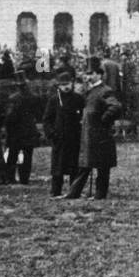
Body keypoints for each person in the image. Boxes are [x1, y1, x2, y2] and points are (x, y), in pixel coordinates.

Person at [66, 68, 123, 202]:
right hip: (89, 135)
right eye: (87, 73)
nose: (88, 76)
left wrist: (103, 120)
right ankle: (74, 192)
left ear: (99, 75)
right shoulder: (90, 91)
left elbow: (115, 107)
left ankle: (99, 194)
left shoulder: (105, 90)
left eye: (91, 73)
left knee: (102, 166)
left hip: (101, 135)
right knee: (85, 165)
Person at [43, 70, 85, 198]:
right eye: (62, 84)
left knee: (74, 165)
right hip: (59, 138)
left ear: (72, 83)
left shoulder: (78, 99)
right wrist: (52, 134)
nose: (65, 87)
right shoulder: (54, 100)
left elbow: (84, 117)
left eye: (67, 84)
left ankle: (74, 191)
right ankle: (56, 190)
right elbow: (47, 119)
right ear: (58, 86)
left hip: (74, 137)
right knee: (58, 167)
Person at [3, 76, 40, 185]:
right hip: (29, 129)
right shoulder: (34, 97)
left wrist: (7, 127)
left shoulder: (13, 98)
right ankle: (25, 178)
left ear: (17, 85)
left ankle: (10, 178)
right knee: (27, 155)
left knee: (12, 155)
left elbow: (9, 117)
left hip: (15, 131)